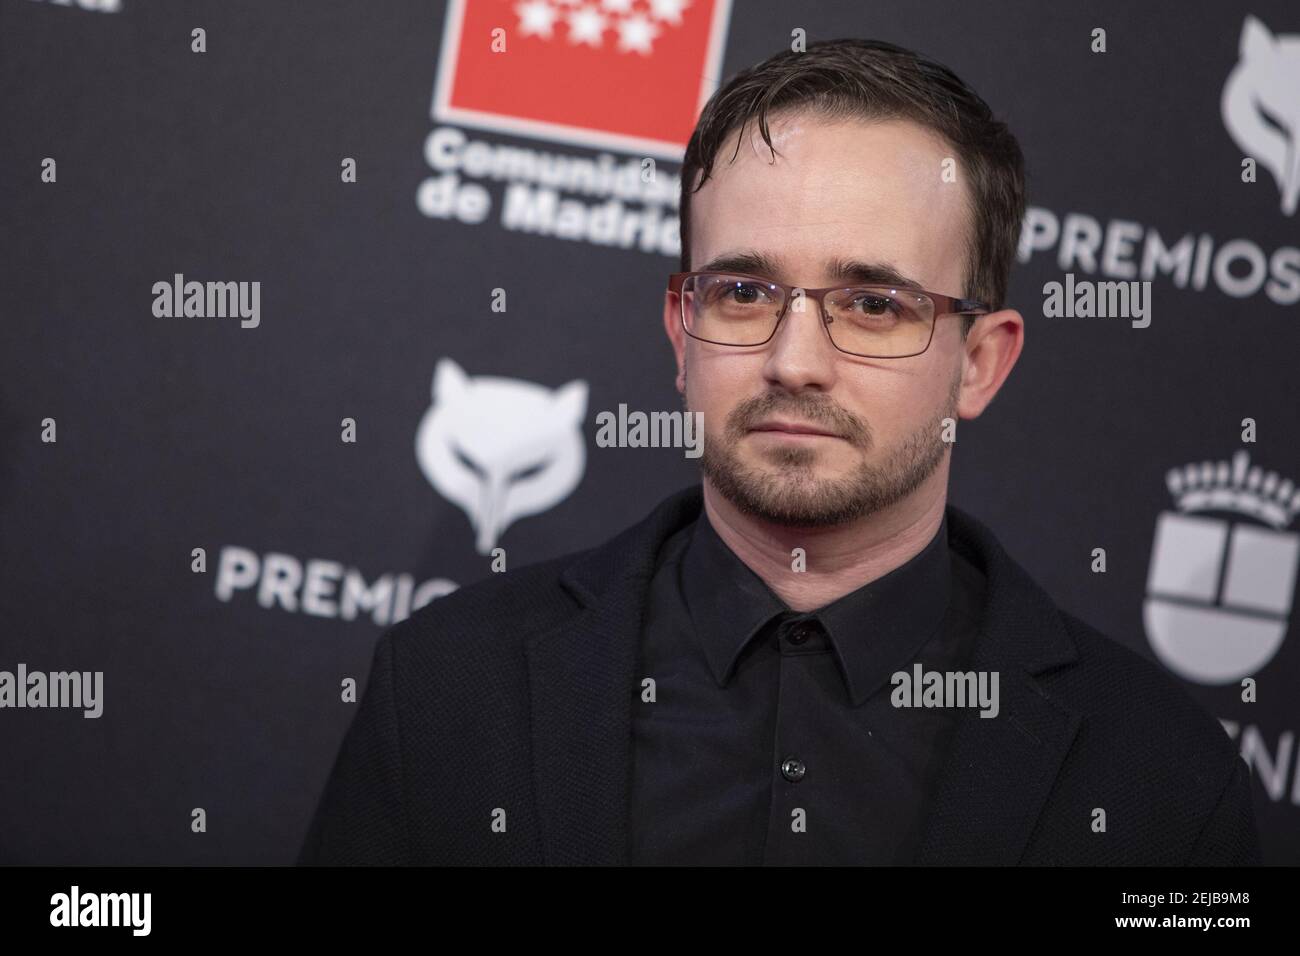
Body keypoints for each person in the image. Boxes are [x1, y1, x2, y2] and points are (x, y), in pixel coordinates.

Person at [298, 38, 1260, 866]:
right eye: (746, 294)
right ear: (683, 330)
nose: (795, 362)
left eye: (874, 305)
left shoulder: (1161, 778)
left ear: (979, 362)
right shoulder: (446, 685)